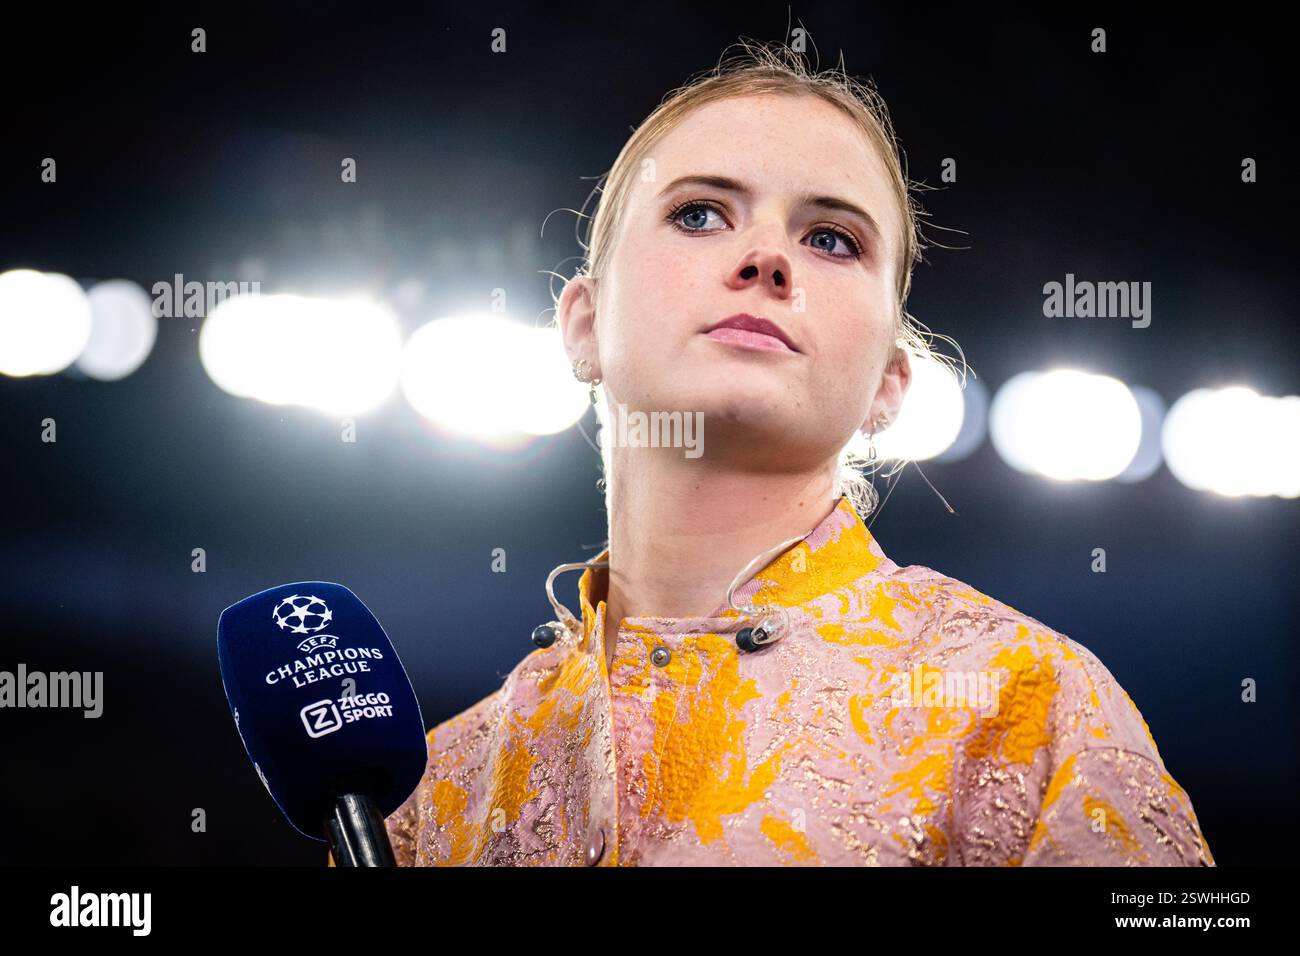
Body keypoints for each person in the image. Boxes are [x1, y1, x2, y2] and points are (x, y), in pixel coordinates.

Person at [332, 39, 1214, 867]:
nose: (765, 258)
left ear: (888, 385)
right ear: (585, 325)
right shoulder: (428, 798)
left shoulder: (1027, 702)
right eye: (701, 212)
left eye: (831, 238)